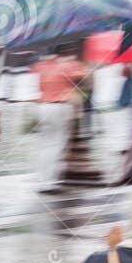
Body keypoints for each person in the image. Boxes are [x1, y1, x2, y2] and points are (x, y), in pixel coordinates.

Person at [34, 45, 89, 192]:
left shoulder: (41, 66)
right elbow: (83, 79)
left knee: (45, 145)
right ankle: (51, 182)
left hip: (42, 107)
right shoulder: (70, 65)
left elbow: (38, 85)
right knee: (58, 145)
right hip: (60, 107)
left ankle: (41, 180)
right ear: (66, 52)